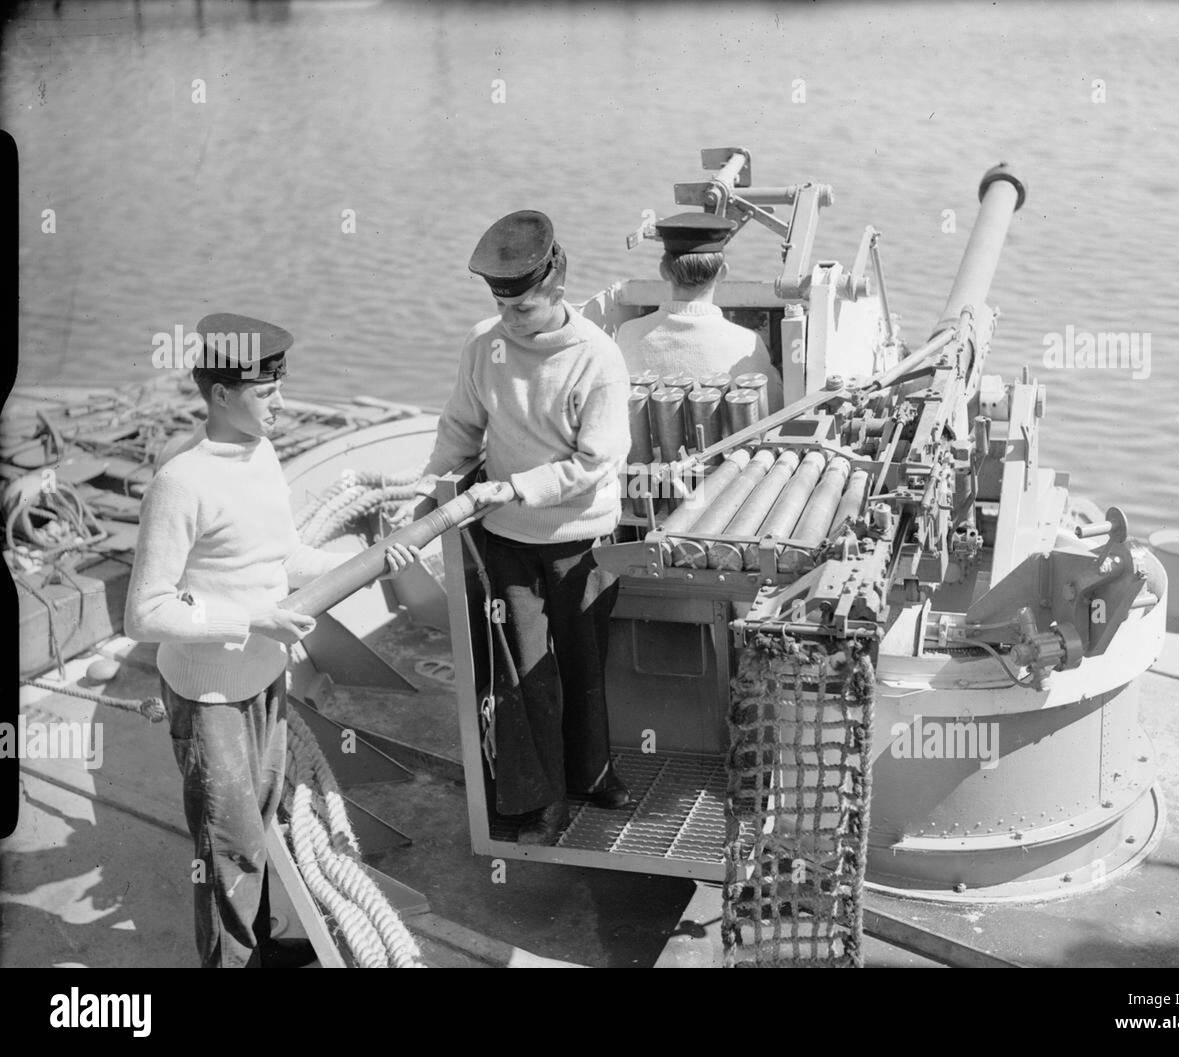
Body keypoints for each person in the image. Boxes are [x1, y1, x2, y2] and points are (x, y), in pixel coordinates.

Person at [125, 313, 417, 967]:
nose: (282, 403)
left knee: (257, 827)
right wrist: (249, 621)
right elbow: (143, 613)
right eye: (267, 391)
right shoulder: (181, 483)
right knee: (228, 846)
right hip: (210, 698)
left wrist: (378, 558)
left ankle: (254, 946)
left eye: (282, 387)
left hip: (264, 684)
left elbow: (284, 560)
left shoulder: (260, 454)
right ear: (222, 394)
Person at [404, 210, 633, 845]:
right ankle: (534, 797)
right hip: (507, 539)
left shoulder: (598, 359)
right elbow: (460, 427)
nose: (511, 320)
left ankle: (594, 775)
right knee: (520, 670)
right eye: (503, 308)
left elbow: (597, 461)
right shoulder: (485, 346)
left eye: (524, 309)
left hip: (579, 539)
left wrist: (518, 487)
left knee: (584, 665)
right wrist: (429, 490)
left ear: (558, 288)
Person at [615, 212, 784, 407]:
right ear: (722, 272)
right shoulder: (747, 342)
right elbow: (774, 407)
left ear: (663, 271)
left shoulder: (628, 333)